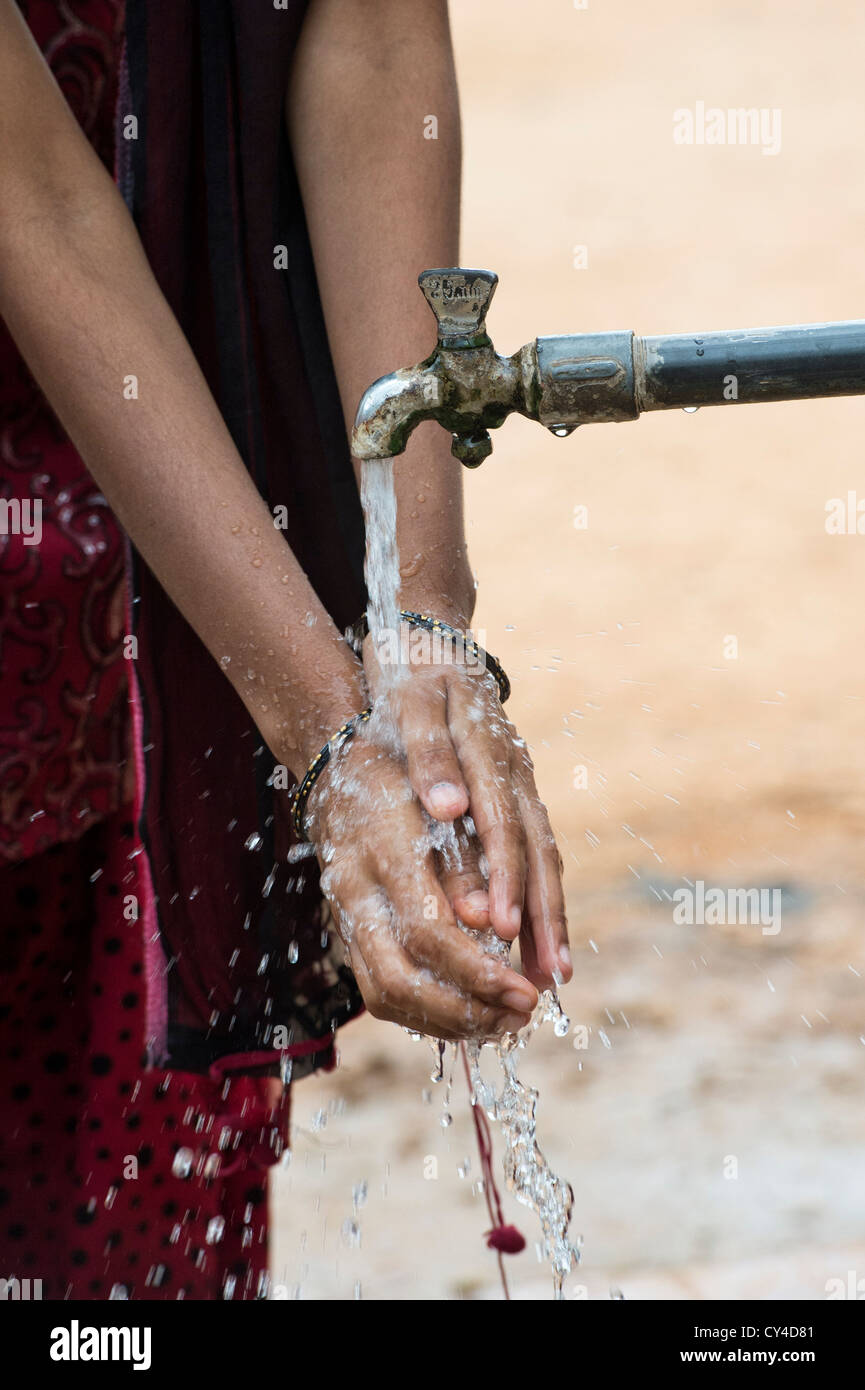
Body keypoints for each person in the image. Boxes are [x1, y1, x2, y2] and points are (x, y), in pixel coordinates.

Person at [0, 0, 570, 1300]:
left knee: (129, 1264)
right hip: (99, 357)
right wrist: (327, 727)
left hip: (201, 522)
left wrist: (417, 627)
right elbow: (37, 199)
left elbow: (367, 31)